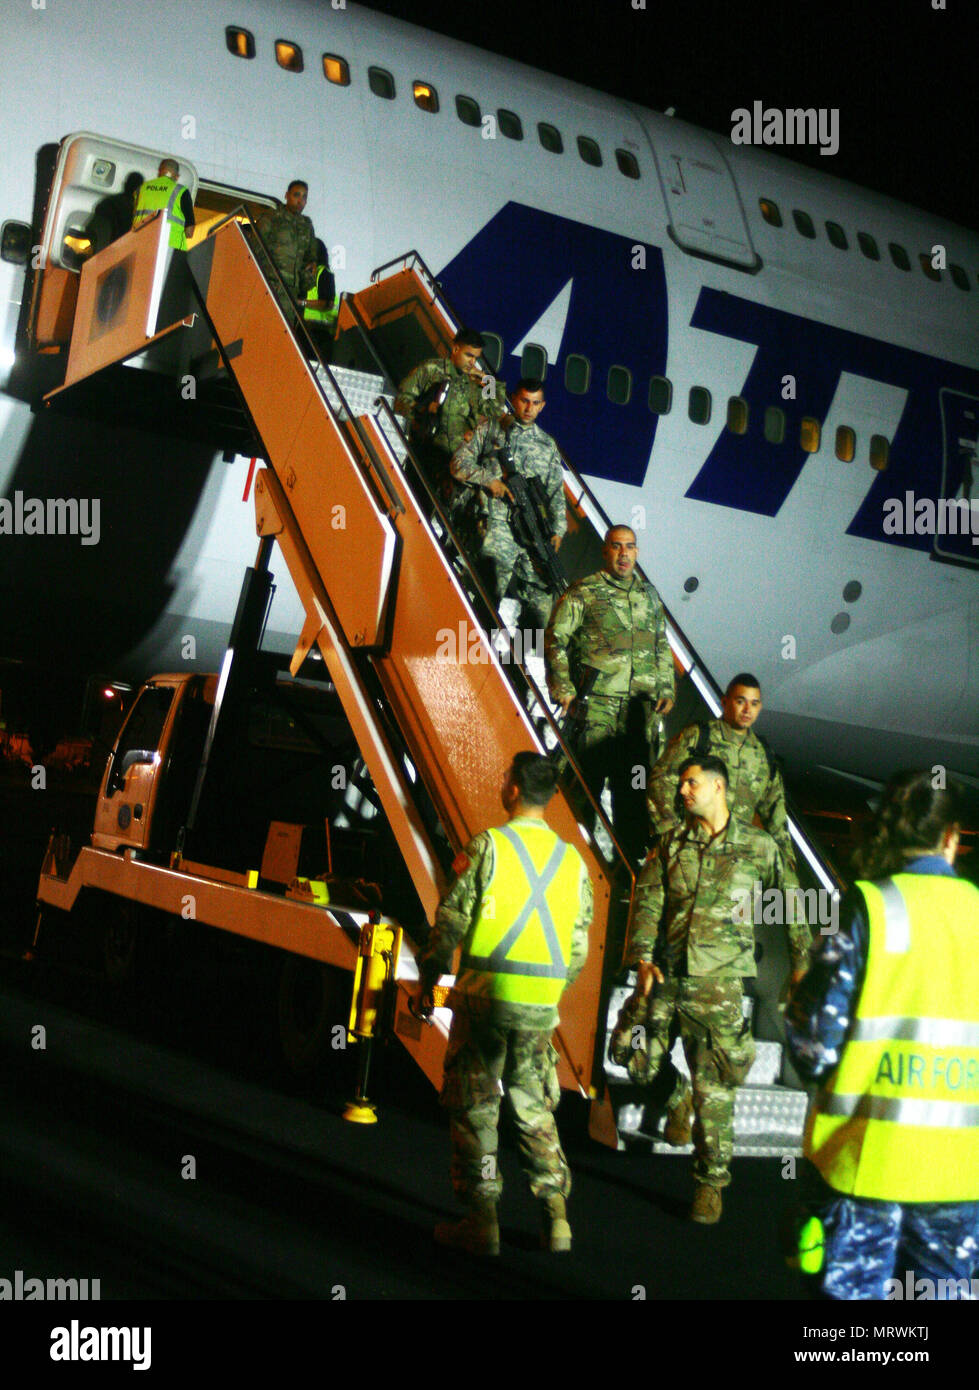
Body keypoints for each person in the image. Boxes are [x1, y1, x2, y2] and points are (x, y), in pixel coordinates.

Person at [785, 770, 979, 1300]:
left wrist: (800, 999)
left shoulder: (869, 910)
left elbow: (813, 1047)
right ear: (952, 838)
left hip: (865, 1164)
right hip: (961, 1174)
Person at [615, 755, 810, 1223]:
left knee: (716, 1089)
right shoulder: (669, 844)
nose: (682, 791)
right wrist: (642, 956)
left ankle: (710, 1183)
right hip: (666, 976)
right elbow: (647, 902)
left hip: (719, 988)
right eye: (682, 783)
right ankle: (674, 1094)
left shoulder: (759, 847)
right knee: (634, 1060)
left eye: (691, 783)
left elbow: (794, 901)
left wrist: (800, 963)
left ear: (718, 787)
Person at [411, 753, 592, 1256]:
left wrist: (431, 976)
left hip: (483, 1003)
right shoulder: (572, 863)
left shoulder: (488, 847)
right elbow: (577, 949)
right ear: (551, 795)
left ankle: (483, 1221)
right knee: (533, 1111)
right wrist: (547, 989)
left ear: (512, 789)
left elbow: (450, 923)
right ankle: (556, 1221)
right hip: (537, 1011)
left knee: (476, 1111)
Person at [544, 524, 675, 866]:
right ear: (605, 552)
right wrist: (564, 688)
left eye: (629, 546)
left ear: (637, 552)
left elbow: (662, 644)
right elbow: (555, 637)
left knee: (633, 794)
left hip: (638, 716)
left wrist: (666, 687)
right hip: (597, 710)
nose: (623, 553)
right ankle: (569, 863)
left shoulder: (649, 596)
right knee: (584, 789)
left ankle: (626, 873)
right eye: (616, 547)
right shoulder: (586, 591)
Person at [648, 673, 798, 877]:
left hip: (733, 868)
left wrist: (787, 871)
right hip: (689, 858)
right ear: (725, 701)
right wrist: (674, 836)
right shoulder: (699, 737)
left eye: (754, 704)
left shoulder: (763, 755)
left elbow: (776, 816)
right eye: (740, 701)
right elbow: (661, 781)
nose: (747, 710)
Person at [449, 378, 566, 637]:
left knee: (540, 597)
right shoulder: (491, 429)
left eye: (535, 403)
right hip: (499, 522)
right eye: (524, 400)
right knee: (490, 589)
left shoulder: (547, 445)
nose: (528, 408)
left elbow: (556, 493)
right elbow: (458, 463)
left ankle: (522, 659)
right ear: (514, 399)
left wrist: (557, 529)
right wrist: (489, 480)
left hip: (532, 528)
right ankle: (477, 648)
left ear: (542, 406)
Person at [394, 328, 507, 506]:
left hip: (454, 461)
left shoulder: (472, 383)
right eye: (469, 355)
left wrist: (489, 381)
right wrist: (422, 410)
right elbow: (401, 401)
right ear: (455, 349)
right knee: (411, 503)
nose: (472, 362)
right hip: (425, 452)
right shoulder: (431, 370)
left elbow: (493, 410)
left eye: (476, 358)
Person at [255, 180, 316, 316]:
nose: (300, 200)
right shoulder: (271, 217)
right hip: (270, 285)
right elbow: (254, 249)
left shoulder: (306, 225)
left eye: (304, 197)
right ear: (286, 195)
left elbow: (311, 257)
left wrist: (309, 271)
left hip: (292, 292)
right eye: (296, 195)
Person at [131, 158, 195, 250]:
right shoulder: (181, 191)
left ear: (159, 172)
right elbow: (189, 232)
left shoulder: (141, 188)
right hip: (169, 252)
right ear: (177, 176)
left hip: (139, 247)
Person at [301, 238, 337, 362]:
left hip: (319, 333)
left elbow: (327, 304)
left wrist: (301, 303)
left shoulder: (323, 273)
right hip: (306, 330)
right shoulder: (307, 272)